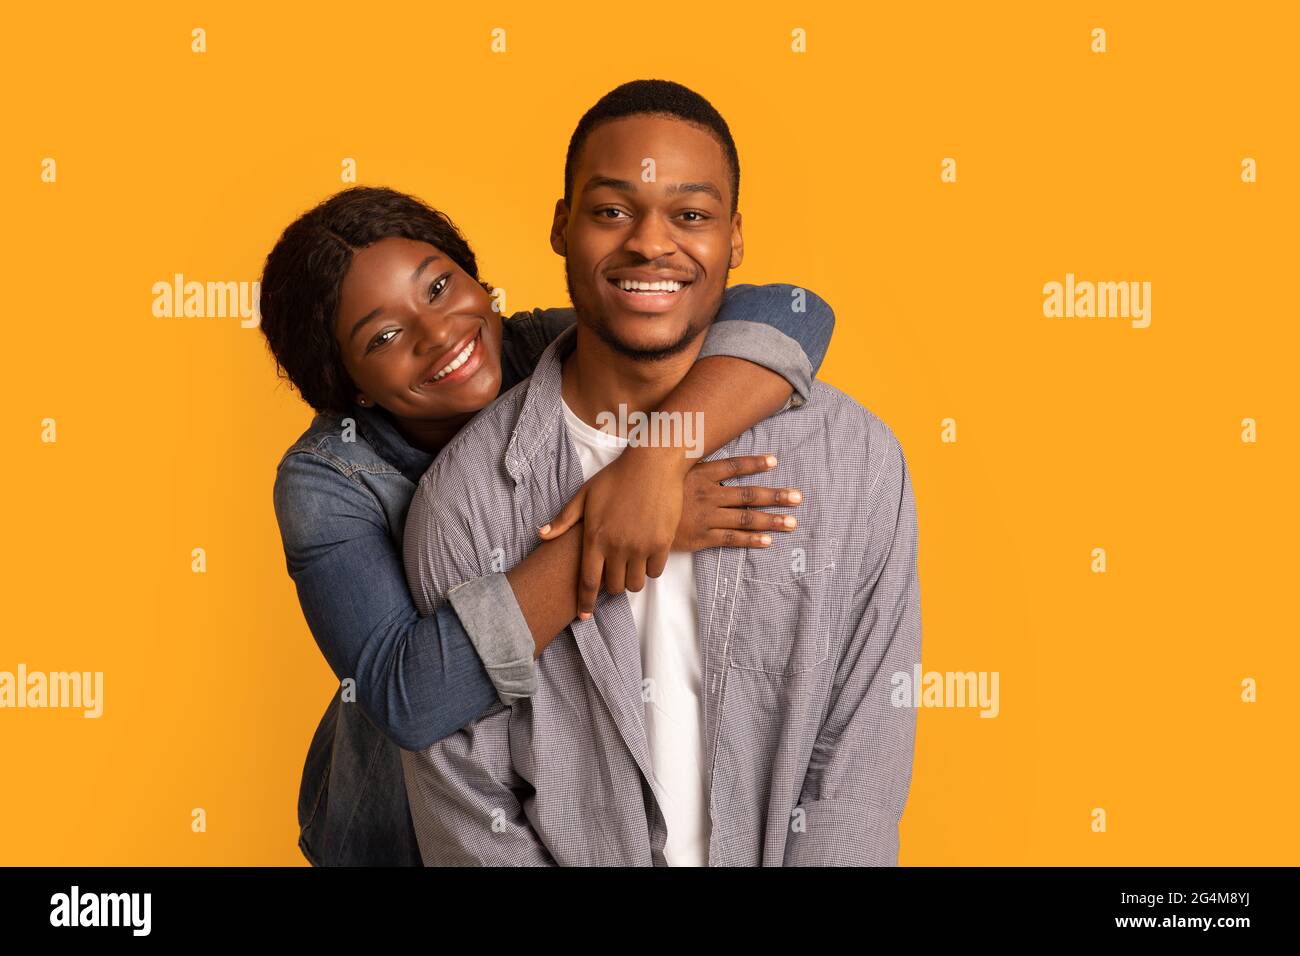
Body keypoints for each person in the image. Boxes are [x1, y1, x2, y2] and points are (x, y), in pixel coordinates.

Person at [401, 79, 921, 866]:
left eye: (691, 215)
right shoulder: (464, 502)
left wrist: (658, 457)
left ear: (734, 240)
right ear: (561, 226)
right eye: (612, 211)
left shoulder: (854, 461)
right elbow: (470, 815)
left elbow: (856, 771)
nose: (650, 243)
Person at [259, 184, 838, 864]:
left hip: (571, 793)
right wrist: (623, 526)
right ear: (349, 382)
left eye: (440, 287)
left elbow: (793, 312)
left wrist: (653, 465)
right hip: (403, 833)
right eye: (385, 336)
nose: (439, 334)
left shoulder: (549, 348)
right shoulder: (326, 481)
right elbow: (406, 693)